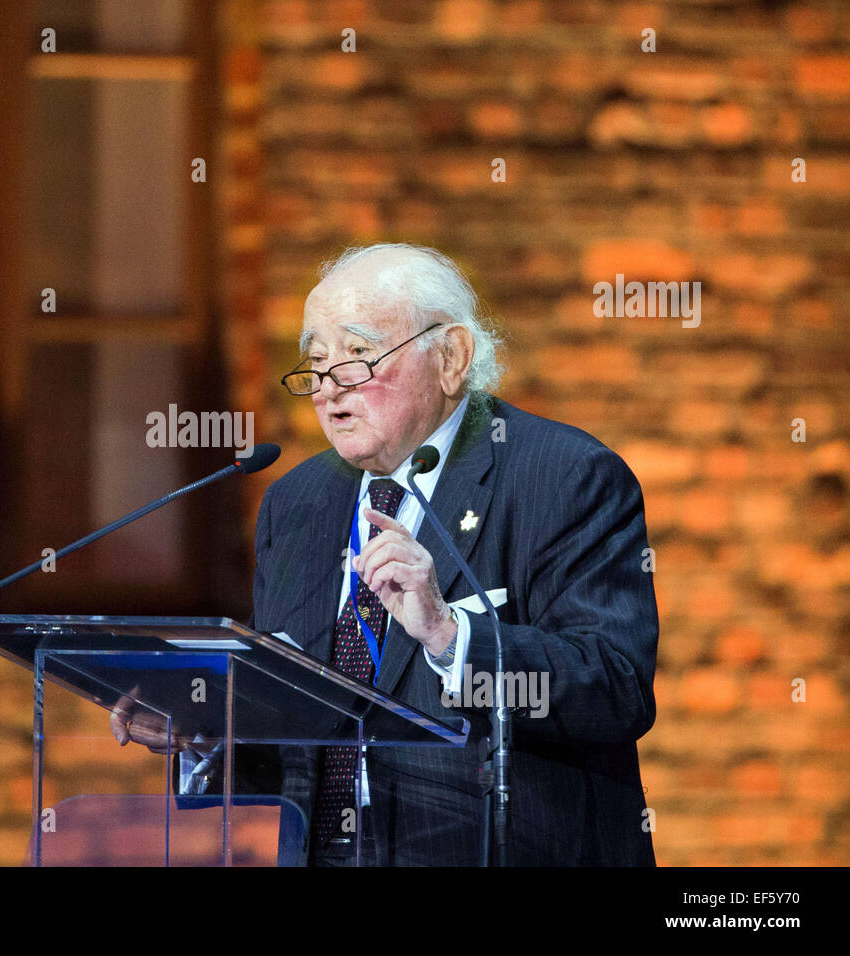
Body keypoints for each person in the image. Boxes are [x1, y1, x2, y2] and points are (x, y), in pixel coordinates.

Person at [117, 243, 658, 866]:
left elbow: (616, 688)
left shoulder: (564, 476)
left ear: (450, 357)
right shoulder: (296, 504)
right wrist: (209, 734)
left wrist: (452, 635)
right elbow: (305, 734)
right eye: (317, 364)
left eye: (356, 357)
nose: (327, 391)